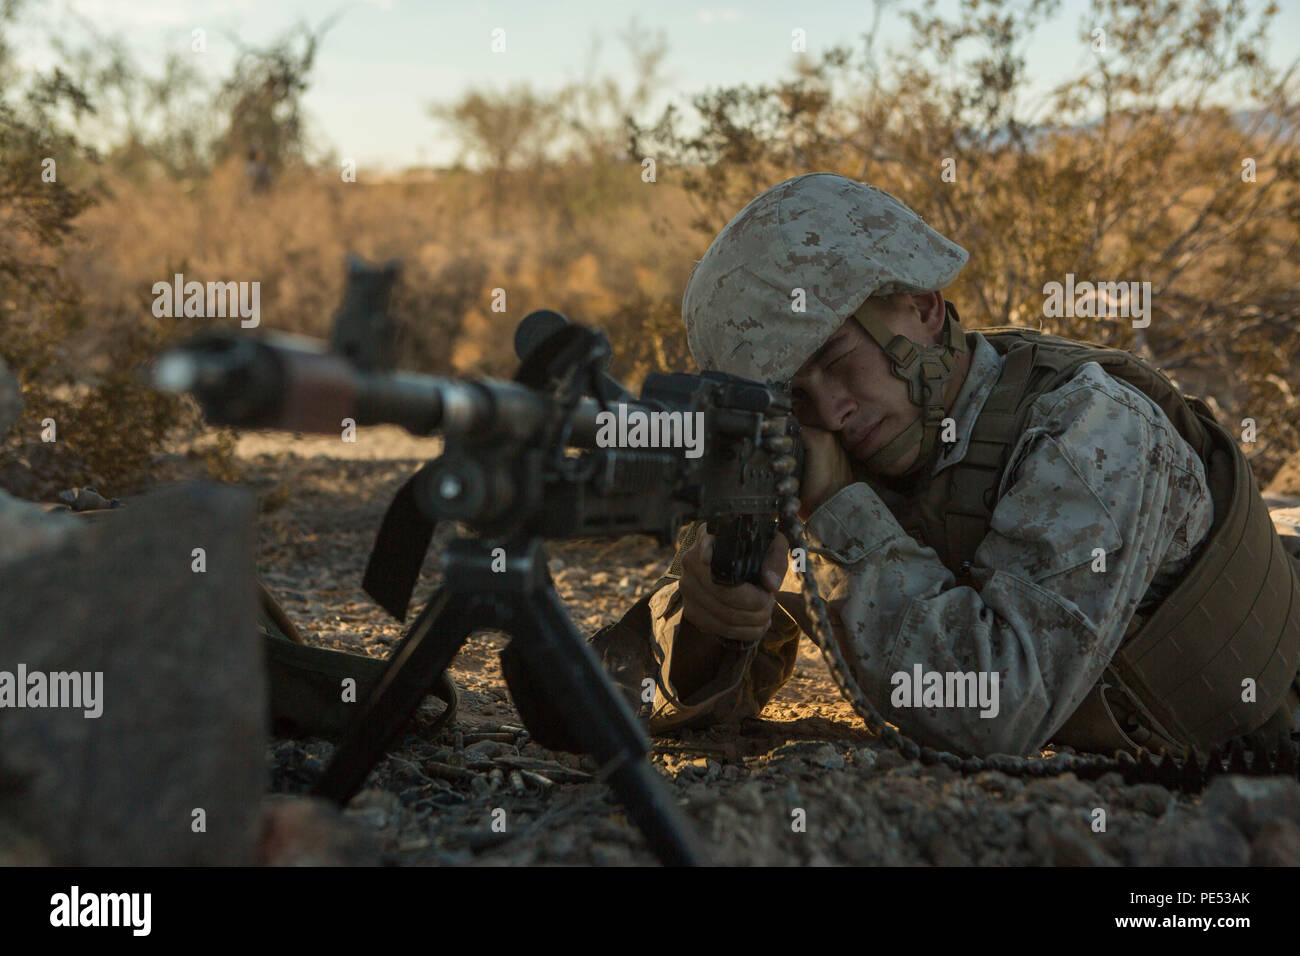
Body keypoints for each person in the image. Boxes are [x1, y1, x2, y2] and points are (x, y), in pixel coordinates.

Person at [591, 172, 1300, 759]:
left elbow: (993, 709)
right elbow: (613, 699)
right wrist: (711, 617)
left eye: (840, 361)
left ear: (924, 309)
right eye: (795, 397)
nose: (833, 412)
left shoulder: (1088, 429)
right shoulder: (833, 443)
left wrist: (840, 513)